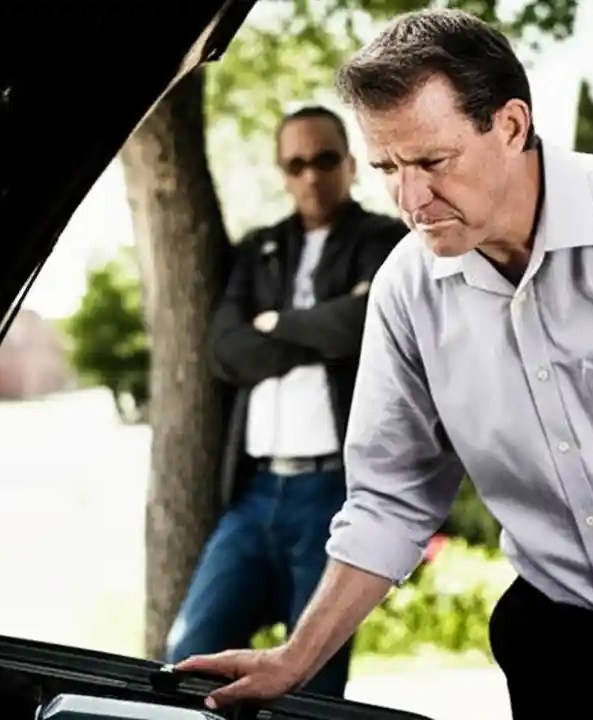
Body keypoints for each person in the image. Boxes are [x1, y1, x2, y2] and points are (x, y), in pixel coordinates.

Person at [176, 10, 593, 719]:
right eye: (387, 169)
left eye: (432, 162)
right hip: (562, 650)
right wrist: (295, 658)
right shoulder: (407, 288)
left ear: (512, 125)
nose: (410, 200)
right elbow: (390, 500)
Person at [162, 105, 408, 698]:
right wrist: (316, 330)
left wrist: (274, 323)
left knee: (312, 688)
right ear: (283, 173)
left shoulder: (384, 240)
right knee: (189, 658)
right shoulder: (260, 249)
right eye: (296, 165)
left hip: (332, 495)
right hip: (253, 495)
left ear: (350, 164)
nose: (311, 176)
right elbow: (226, 350)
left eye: (324, 160)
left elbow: (361, 323)